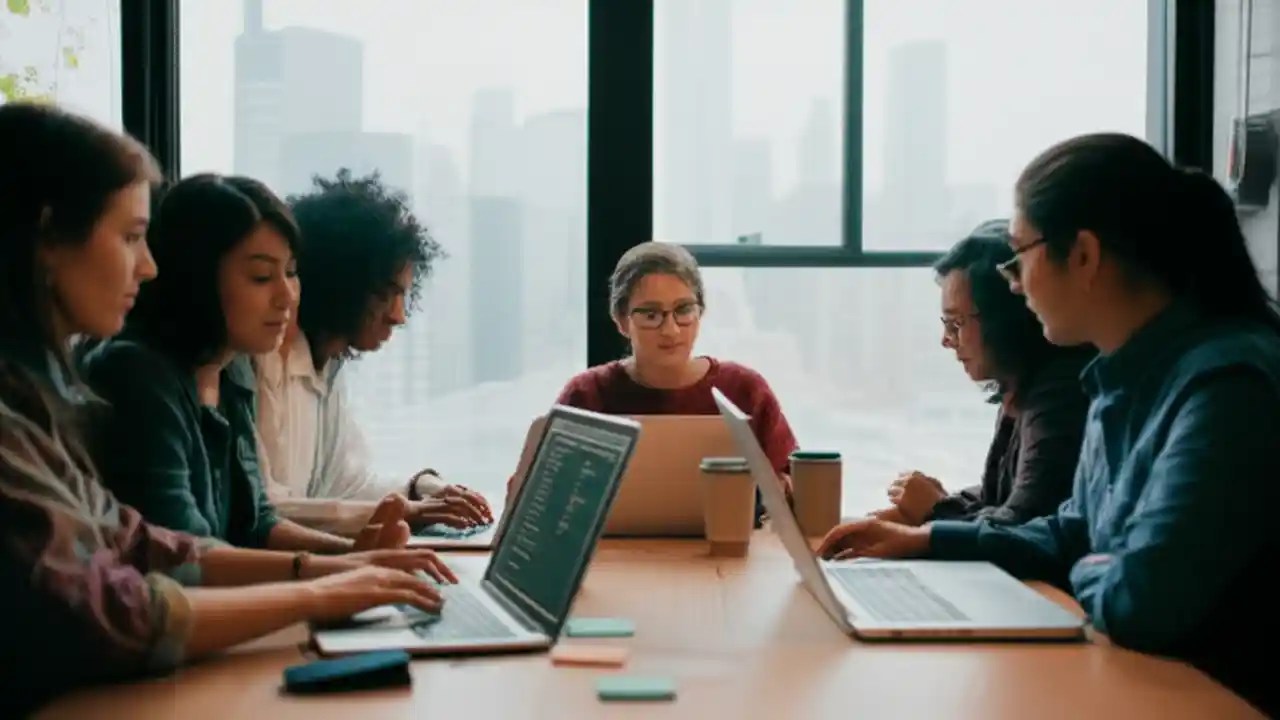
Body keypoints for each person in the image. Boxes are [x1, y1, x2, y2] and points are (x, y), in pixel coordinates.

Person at [0, 102, 452, 715]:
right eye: (131, 236)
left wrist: (336, 570)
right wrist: (319, 590)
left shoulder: (40, 393)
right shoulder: (109, 379)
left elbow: (140, 541)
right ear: (49, 236)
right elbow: (101, 613)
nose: (149, 265)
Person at [818, 133, 1280, 715]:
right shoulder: (1119, 377)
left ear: (1083, 256)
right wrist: (924, 540)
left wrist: (1087, 561)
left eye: (1019, 256)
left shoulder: (1227, 386)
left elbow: (1140, 599)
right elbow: (1065, 531)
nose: (1014, 282)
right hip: (1134, 685)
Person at [81, 172, 407, 554]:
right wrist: (337, 575)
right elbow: (184, 558)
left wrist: (354, 558)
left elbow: (256, 522)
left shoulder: (231, 369)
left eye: (290, 272)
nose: (287, 297)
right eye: (261, 276)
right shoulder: (136, 374)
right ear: (197, 279)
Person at [254, 169, 491, 535]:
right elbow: (265, 508)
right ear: (340, 283)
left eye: (403, 296)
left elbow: (346, 484)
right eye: (385, 294)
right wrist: (409, 512)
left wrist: (423, 488)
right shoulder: (263, 361)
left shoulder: (329, 365)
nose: (398, 316)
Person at [548, 241, 797, 508]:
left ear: (700, 312)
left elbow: (795, 485)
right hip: (614, 548)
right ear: (621, 321)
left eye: (683, 310)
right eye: (651, 314)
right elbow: (538, 495)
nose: (671, 330)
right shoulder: (587, 394)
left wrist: (770, 494)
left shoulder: (744, 389)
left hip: (729, 545)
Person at [877, 220, 1093, 526]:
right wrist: (927, 512)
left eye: (957, 324)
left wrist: (937, 510)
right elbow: (1000, 498)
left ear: (1002, 318)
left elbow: (1022, 524)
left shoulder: (1060, 397)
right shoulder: (1019, 388)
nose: (947, 340)